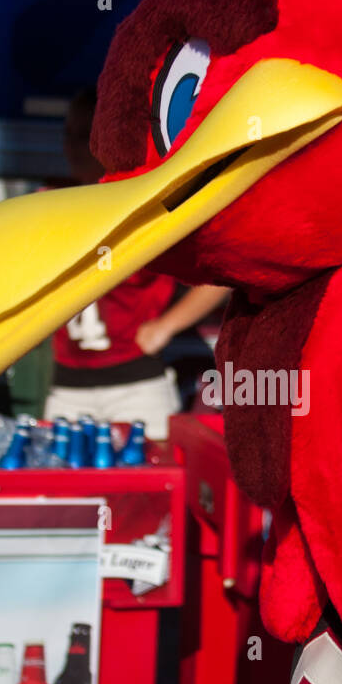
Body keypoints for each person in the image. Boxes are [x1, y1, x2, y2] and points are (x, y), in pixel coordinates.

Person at [43, 88, 228, 437]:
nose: (72, 146)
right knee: (65, 487)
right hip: (67, 387)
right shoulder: (47, 203)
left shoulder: (145, 207)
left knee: (149, 486)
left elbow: (219, 273)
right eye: (67, 134)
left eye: (84, 136)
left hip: (136, 385)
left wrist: (167, 326)